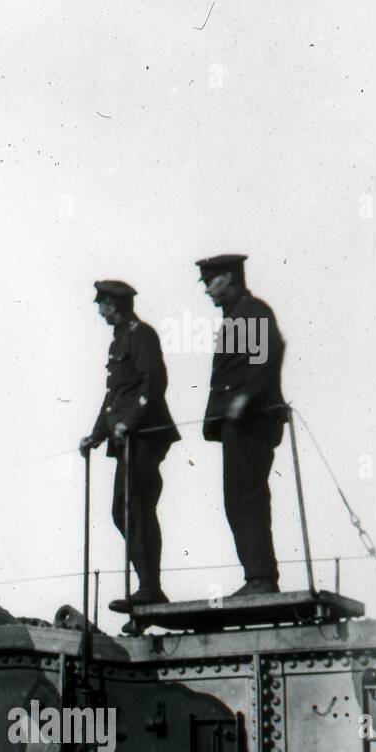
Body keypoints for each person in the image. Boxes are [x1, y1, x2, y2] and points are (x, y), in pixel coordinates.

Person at [79, 280, 180, 613]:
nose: (98, 311)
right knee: (124, 509)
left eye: (101, 305)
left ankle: (150, 587)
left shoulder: (141, 334)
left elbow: (154, 382)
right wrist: (96, 435)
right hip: (127, 437)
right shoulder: (119, 340)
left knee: (133, 505)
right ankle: (147, 584)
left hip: (145, 435)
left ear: (113, 304)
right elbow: (113, 398)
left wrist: (130, 423)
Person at [196, 254, 287, 596]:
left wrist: (244, 399)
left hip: (251, 423)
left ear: (230, 278)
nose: (207, 290)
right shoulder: (236, 316)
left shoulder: (252, 312)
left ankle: (261, 578)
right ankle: (257, 576)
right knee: (239, 499)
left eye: (211, 282)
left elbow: (267, 356)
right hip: (239, 424)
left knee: (245, 498)